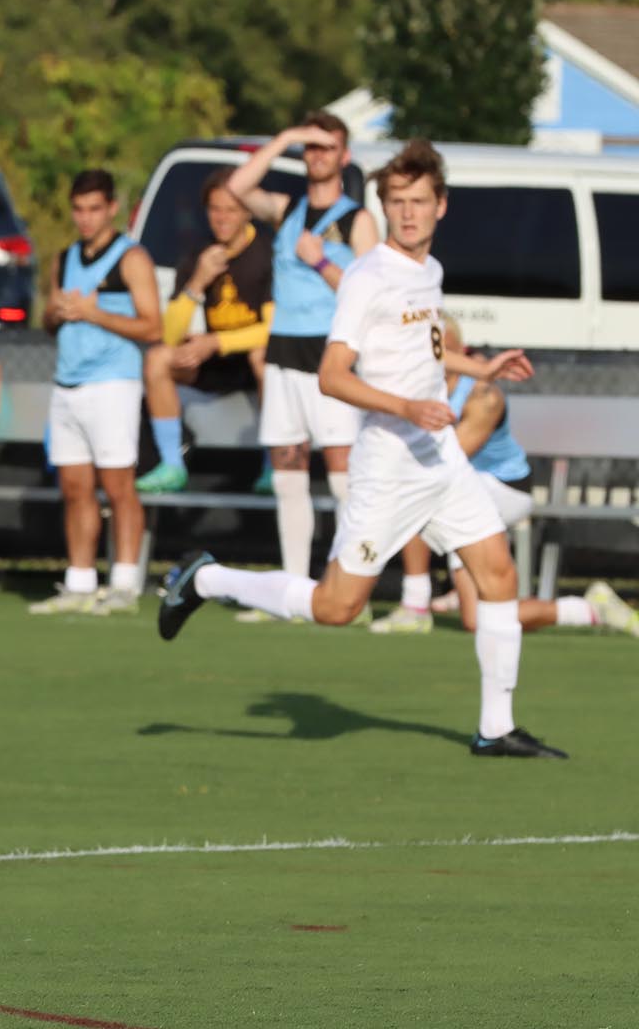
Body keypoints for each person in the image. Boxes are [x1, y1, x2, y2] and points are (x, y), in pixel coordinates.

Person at [161, 139, 568, 760]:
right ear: (384, 208)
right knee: (336, 607)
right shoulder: (367, 276)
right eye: (397, 202)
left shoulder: (427, 272)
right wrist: (406, 407)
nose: (408, 214)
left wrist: (477, 363)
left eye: (419, 201)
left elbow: (423, 349)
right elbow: (332, 375)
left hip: (439, 458)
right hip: (388, 464)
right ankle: (207, 578)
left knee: (498, 575)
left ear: (441, 207)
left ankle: (496, 727)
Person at [368, 318, 639, 637]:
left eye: (441, 349)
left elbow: (442, 463)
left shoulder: (483, 395)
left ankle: (415, 606)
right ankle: (589, 608)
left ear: (460, 351)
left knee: (421, 493)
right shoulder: (418, 388)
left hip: (504, 490)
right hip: (463, 489)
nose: (431, 356)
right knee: (475, 620)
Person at [225, 113, 380, 615]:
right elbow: (238, 185)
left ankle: (346, 587)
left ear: (344, 156)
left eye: (327, 147)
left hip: (329, 356)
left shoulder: (358, 218)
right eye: (311, 148)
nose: (317, 156)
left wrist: (319, 261)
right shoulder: (287, 208)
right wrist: (287, 138)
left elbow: (372, 296)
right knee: (288, 475)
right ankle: (291, 592)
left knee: (342, 477)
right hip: (284, 353)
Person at [33, 169, 162, 616]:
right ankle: (80, 581)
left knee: (118, 487)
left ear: (112, 209)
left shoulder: (132, 258)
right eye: (78, 209)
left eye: (94, 209)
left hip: (113, 384)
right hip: (68, 384)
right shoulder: (64, 258)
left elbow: (153, 325)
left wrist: (93, 313)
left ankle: (125, 582)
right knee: (74, 488)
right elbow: (50, 322)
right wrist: (57, 311)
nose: (85, 219)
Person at [134, 169, 272, 493]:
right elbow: (168, 335)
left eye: (230, 210)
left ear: (248, 212)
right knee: (158, 359)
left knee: (262, 357)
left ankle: (274, 465)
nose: (221, 218)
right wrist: (197, 282)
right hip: (217, 364)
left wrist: (216, 342)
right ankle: (171, 464)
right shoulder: (200, 255)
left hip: (253, 364)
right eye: (215, 209)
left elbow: (272, 330)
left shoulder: (267, 254)